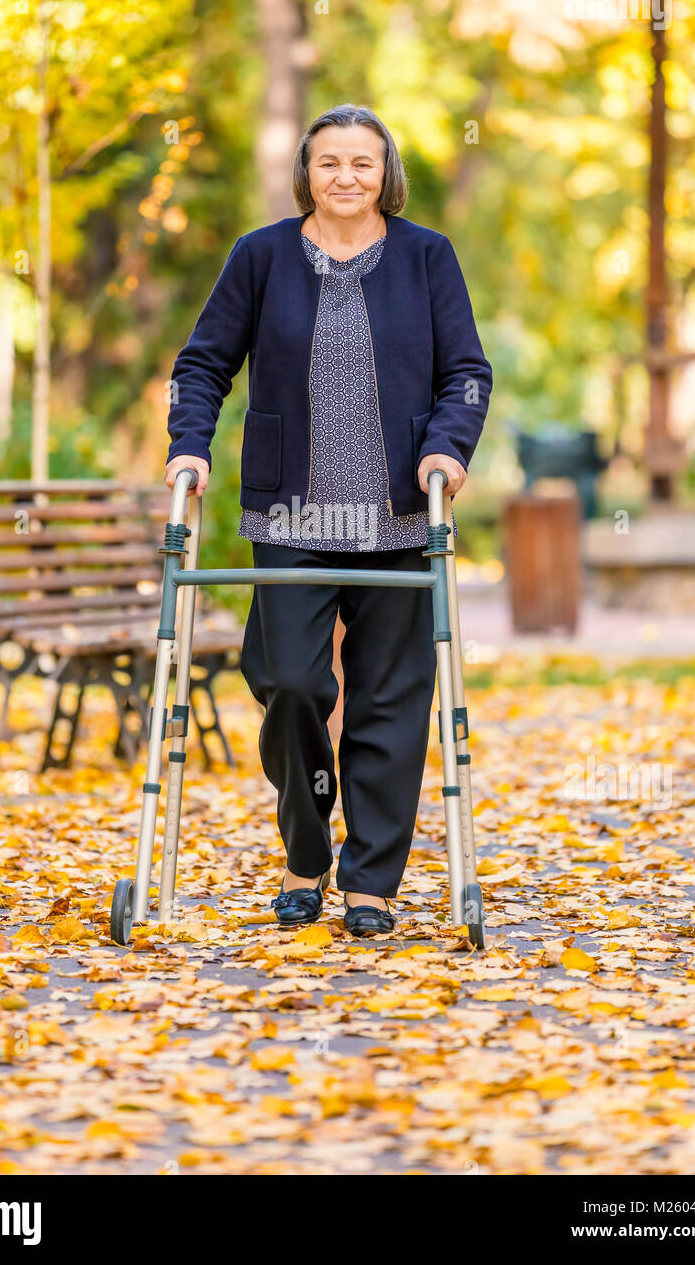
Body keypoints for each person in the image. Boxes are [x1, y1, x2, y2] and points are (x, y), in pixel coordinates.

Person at [165, 103, 492, 936]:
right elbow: (204, 362)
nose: (346, 177)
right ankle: (306, 852)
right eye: (330, 163)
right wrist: (188, 447)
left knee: (390, 698)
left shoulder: (427, 258)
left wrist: (448, 451)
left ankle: (370, 884)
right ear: (306, 172)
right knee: (294, 684)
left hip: (397, 518)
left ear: (389, 175)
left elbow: (466, 372)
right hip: (291, 515)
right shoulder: (261, 257)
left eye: (363, 163)